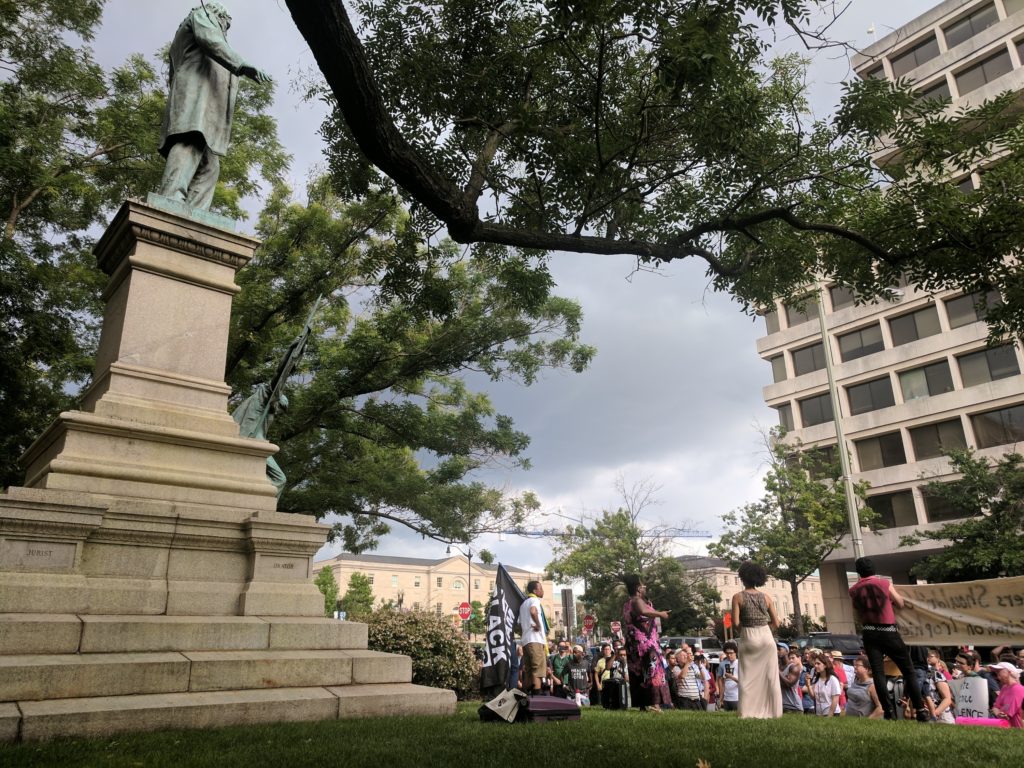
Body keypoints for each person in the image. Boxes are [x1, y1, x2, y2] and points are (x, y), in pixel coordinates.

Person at [157, 3, 271, 210]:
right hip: (196, 94)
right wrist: (242, 65)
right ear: (219, 15)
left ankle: (196, 213)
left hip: (200, 99)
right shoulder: (203, 15)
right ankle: (170, 198)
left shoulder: (191, 29)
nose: (224, 29)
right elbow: (211, 40)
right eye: (225, 24)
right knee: (190, 142)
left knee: (210, 165)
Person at [848, 557, 928, 722]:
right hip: (888, 630)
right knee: (908, 670)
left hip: (869, 632)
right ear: (874, 569)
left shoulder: (854, 589)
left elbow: (856, 611)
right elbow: (900, 603)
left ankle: (888, 711)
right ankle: (920, 710)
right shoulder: (883, 583)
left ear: (858, 572)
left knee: (878, 673)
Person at [730, 561, 782, 719]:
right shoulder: (766, 597)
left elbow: (736, 623)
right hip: (766, 637)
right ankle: (774, 712)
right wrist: (765, 630)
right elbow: (777, 622)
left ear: (743, 578)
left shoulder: (738, 597)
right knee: (770, 677)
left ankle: (747, 712)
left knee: (747, 677)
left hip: (749, 636)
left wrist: (746, 631)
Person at [621, 574, 670, 712]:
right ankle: (655, 704)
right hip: (645, 642)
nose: (645, 588)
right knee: (652, 669)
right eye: (643, 586)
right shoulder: (637, 601)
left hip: (634, 642)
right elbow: (643, 611)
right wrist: (660, 614)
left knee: (638, 672)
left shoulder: (628, 603)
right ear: (638, 588)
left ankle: (643, 704)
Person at [517, 580, 548, 693]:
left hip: (526, 640)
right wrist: (539, 625)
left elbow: (519, 623)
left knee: (529, 671)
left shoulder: (523, 604)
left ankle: (526, 696)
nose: (542, 590)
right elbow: (533, 611)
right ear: (535, 590)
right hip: (535, 640)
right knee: (538, 670)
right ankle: (537, 696)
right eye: (540, 588)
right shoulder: (534, 600)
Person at [990, 661, 1024, 728]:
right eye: (996, 672)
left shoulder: (1018, 689)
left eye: (999, 671)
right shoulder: (1004, 687)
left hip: (1017, 728)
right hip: (1007, 727)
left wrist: (999, 712)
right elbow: (995, 707)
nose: (997, 674)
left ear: (1009, 672)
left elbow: (1007, 713)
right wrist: (998, 712)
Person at [717, 641, 740, 712]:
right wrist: (721, 697)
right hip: (726, 698)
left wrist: (731, 677)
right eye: (727, 653)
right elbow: (720, 681)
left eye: (731, 653)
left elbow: (744, 682)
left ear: (735, 652)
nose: (729, 655)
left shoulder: (740, 663)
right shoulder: (722, 664)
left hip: (738, 697)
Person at [780, 650, 805, 715]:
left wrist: (777, 672)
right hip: (782, 705)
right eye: (790, 658)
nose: (791, 660)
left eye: (793, 658)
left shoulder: (794, 668)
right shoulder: (782, 668)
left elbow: (789, 684)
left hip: (793, 707)